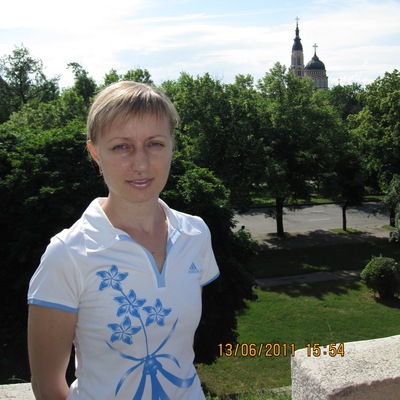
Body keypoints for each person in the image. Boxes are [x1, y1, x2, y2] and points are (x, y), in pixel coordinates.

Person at [27, 81, 220, 400]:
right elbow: (48, 387)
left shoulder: (195, 234)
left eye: (155, 143)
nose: (141, 164)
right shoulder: (67, 255)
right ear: (95, 153)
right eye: (121, 146)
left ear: (172, 146)